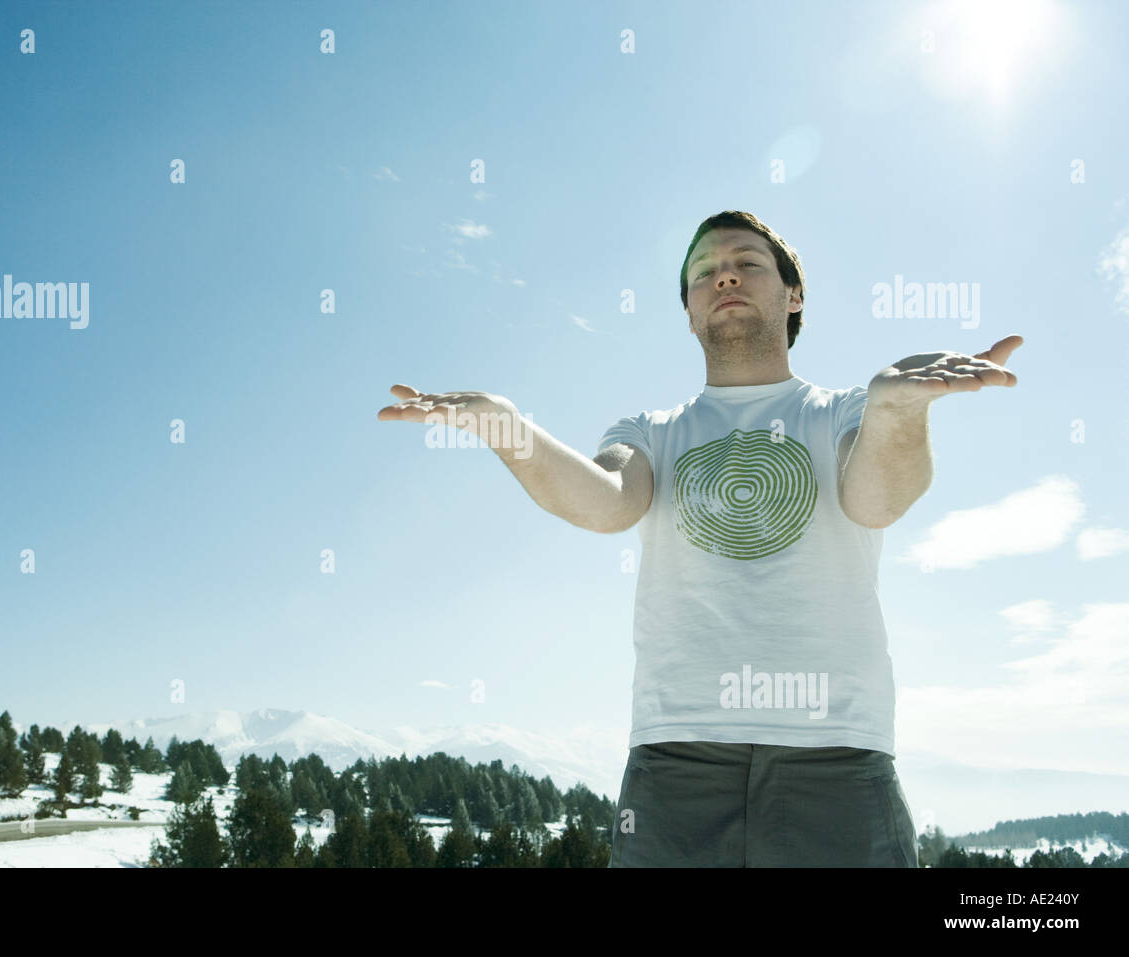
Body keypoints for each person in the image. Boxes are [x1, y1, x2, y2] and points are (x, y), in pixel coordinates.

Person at [377, 210, 1022, 867]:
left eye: (747, 262)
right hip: (675, 762)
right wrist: (505, 428)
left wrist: (897, 411)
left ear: (793, 294)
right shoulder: (651, 430)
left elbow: (878, 499)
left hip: (835, 756)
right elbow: (606, 503)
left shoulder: (845, 411)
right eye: (703, 272)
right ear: (687, 311)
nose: (725, 277)